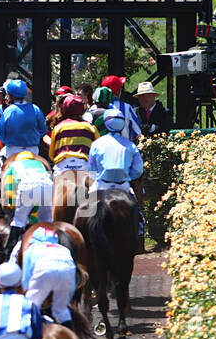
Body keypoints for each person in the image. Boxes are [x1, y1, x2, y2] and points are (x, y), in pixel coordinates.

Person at [87, 108, 145, 246]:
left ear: (106, 124)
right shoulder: (130, 145)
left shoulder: (96, 144)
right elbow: (138, 169)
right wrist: (127, 177)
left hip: (101, 185)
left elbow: (92, 170)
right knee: (137, 211)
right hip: (123, 185)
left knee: (85, 211)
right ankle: (140, 228)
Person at [21, 227, 77, 327]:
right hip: (67, 272)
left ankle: (32, 336)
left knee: (31, 305)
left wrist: (27, 291)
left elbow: (26, 276)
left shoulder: (32, 248)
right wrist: (68, 297)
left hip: (45, 270)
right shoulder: (64, 249)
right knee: (61, 310)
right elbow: (73, 276)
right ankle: (71, 334)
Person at [3, 151, 56, 250]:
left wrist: (13, 207)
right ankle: (52, 247)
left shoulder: (13, 165)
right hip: (48, 185)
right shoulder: (39, 164)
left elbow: (9, 192)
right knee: (46, 221)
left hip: (28, 184)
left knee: (18, 221)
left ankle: (9, 254)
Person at [0, 79, 47, 160]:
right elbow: (43, 130)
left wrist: (9, 141)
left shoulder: (8, 111)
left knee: (0, 171)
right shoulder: (35, 108)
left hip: (12, 151)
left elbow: (0, 132)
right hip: (33, 150)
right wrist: (32, 139)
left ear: (10, 95)